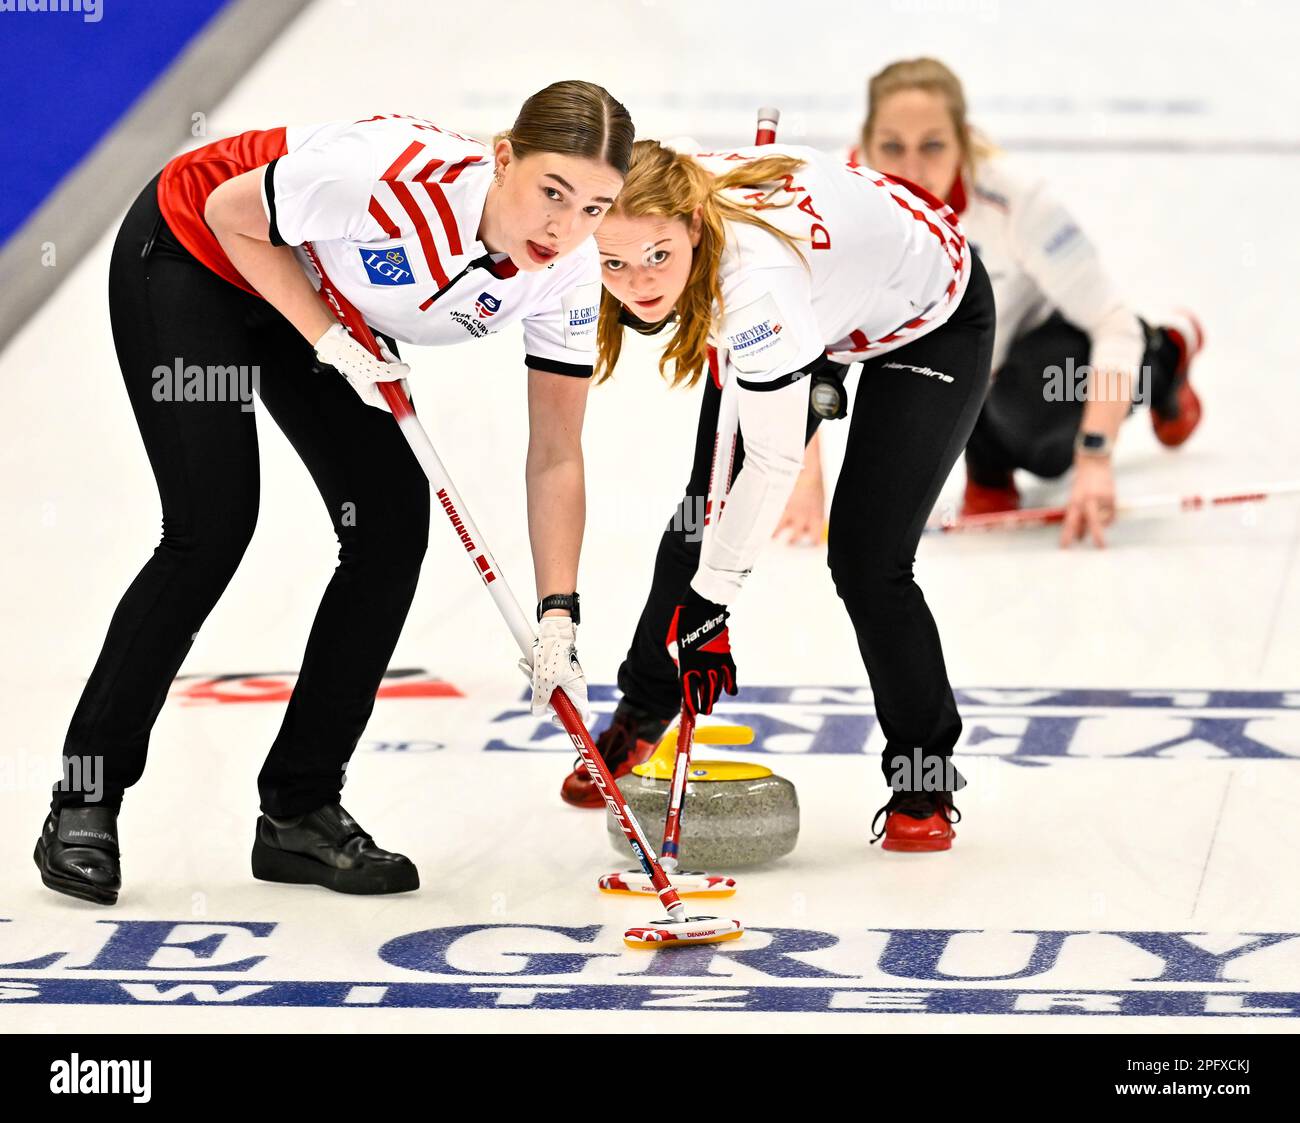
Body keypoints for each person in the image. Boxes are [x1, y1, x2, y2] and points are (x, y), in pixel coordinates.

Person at [36, 81, 632, 905]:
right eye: (551, 193)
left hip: (315, 290)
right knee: (211, 526)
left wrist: (559, 611)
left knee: (389, 526)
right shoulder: (384, 177)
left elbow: (557, 453)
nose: (565, 228)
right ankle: (84, 799)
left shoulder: (566, 276)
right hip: (194, 253)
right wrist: (328, 339)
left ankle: (300, 807)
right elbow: (227, 212)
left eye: (596, 208)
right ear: (504, 159)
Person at [560, 137, 995, 851]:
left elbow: (772, 460)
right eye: (614, 262)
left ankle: (925, 776)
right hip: (826, 287)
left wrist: (709, 606)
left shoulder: (754, 290)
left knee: (866, 558)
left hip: (928, 316)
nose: (638, 283)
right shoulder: (650, 192)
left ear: (694, 225)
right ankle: (642, 710)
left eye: (658, 257)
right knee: (700, 517)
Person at [779, 58, 1203, 549]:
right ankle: (990, 462)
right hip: (968, 374)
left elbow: (1112, 323)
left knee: (1043, 434)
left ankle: (1166, 354)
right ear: (865, 143)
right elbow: (799, 342)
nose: (911, 170)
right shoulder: (832, 207)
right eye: (892, 147)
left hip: (1043, 366)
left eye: (933, 146)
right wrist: (804, 482)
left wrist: (1094, 458)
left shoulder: (1016, 201)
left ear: (963, 140)